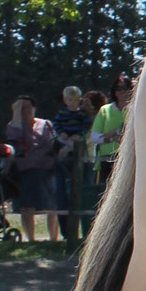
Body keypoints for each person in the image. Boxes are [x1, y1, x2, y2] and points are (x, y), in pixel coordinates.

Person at [5, 95, 61, 244]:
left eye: (28, 107)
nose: (25, 110)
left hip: (46, 170)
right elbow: (14, 140)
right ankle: (31, 239)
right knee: (27, 207)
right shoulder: (14, 126)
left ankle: (54, 240)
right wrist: (16, 115)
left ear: (34, 108)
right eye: (21, 108)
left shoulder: (45, 124)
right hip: (25, 171)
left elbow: (53, 143)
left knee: (51, 207)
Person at [52, 84, 93, 244]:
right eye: (69, 100)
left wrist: (78, 136)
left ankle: (86, 232)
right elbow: (56, 126)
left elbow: (85, 128)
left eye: (75, 100)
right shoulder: (61, 114)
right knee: (63, 196)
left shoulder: (82, 115)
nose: (72, 103)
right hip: (64, 150)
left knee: (81, 195)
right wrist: (62, 134)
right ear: (65, 100)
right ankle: (67, 234)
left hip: (80, 153)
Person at [89, 74, 133, 187]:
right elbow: (94, 137)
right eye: (118, 88)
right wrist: (111, 137)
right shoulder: (105, 110)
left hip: (130, 159)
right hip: (107, 161)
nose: (122, 91)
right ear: (114, 92)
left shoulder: (136, 110)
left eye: (125, 88)